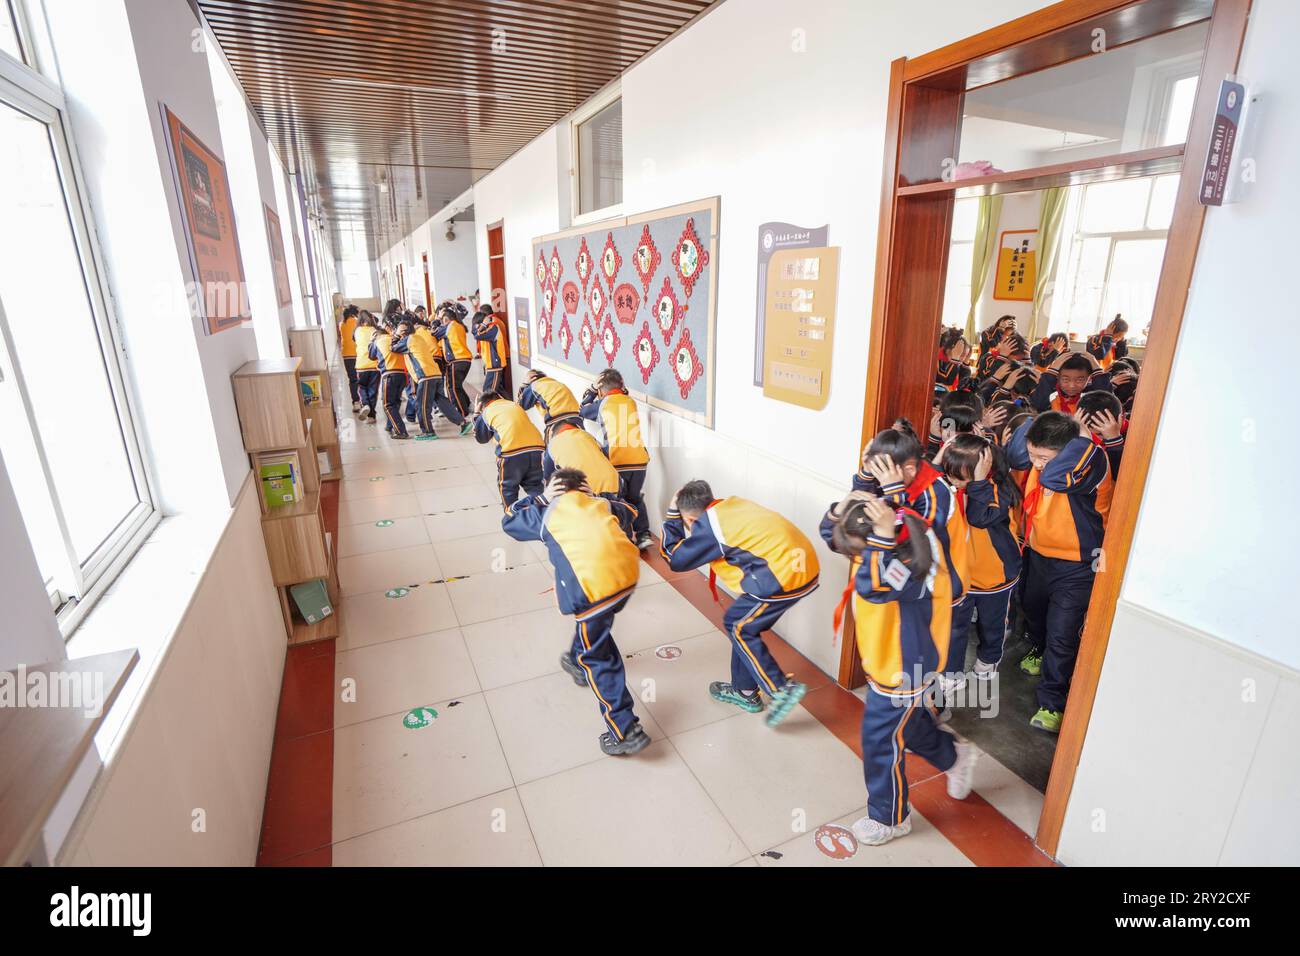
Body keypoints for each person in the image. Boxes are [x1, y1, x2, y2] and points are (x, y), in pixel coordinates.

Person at [822, 495, 976, 847]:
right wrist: (848, 502)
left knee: (881, 741)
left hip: (904, 667)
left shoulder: (907, 562)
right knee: (906, 725)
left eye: (859, 551)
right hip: (889, 662)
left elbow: (873, 586)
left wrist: (878, 538)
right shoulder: (889, 544)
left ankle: (890, 817)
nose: (853, 558)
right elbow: (831, 534)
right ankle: (952, 753)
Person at [503, 468, 651, 756]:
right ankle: (574, 657)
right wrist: (595, 496)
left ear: (553, 491)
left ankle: (624, 730)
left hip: (593, 590)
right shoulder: (602, 504)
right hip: (627, 579)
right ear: (584, 488)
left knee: (598, 657)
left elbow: (509, 522)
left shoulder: (546, 513)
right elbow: (630, 511)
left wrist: (541, 498)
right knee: (594, 627)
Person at [660, 480, 819, 727]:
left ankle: (780, 689)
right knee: (743, 624)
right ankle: (745, 691)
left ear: (689, 520)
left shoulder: (709, 527)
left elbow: (676, 559)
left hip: (782, 578)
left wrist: (672, 516)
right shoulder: (732, 505)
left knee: (739, 627)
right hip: (805, 567)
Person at [1006, 411, 1113, 732]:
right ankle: (1039, 650)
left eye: (1044, 457)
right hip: (1039, 554)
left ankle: (1052, 703)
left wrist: (1078, 436)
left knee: (1063, 633)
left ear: (1067, 450)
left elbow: (1054, 478)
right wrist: (1044, 420)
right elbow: (1013, 455)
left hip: (1080, 562)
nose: (1037, 464)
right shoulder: (1048, 454)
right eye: (1034, 454)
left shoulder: (1091, 459)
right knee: (1034, 611)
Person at [939, 434, 1022, 678]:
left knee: (992, 625)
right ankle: (951, 675)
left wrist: (977, 484)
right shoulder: (952, 488)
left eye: (958, 473)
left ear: (984, 469)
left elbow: (979, 517)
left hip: (994, 576)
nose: (952, 479)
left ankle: (988, 662)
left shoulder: (998, 490)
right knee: (955, 630)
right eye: (949, 471)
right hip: (961, 577)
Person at [581, 368, 653, 550]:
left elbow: (582, 410)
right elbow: (621, 392)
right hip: (639, 461)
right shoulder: (630, 401)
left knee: (619, 501)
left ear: (601, 390)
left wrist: (591, 390)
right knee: (635, 498)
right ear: (622, 386)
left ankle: (625, 538)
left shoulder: (602, 404)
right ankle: (644, 535)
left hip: (617, 462)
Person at [474, 392, 544, 510]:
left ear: (482, 405)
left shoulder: (487, 411)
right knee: (535, 486)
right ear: (500, 397)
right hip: (538, 448)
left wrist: (477, 414)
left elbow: (481, 438)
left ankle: (512, 516)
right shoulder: (514, 405)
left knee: (508, 488)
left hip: (511, 452)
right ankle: (544, 513)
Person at [392, 316, 460, 436]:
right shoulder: (418, 337)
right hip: (435, 374)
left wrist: (396, 336)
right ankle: (462, 422)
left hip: (426, 376)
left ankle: (428, 431)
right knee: (442, 401)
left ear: (403, 331)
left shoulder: (408, 339)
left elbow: (393, 348)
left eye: (399, 329)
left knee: (421, 404)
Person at [543, 420, 619, 495]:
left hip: (588, 490)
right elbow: (606, 457)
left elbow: (548, 479)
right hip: (616, 483)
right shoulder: (588, 436)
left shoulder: (553, 444)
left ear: (552, 434)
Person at [432, 304, 474, 432]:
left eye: (443, 319)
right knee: (457, 387)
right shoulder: (459, 325)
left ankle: (462, 413)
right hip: (465, 360)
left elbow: (433, 334)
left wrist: (435, 322)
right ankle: (466, 407)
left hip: (457, 361)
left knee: (452, 388)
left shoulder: (449, 326)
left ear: (446, 319)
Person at [1030, 349, 1111, 414]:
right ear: (1057, 377)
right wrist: (1051, 371)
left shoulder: (1091, 395)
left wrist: (1097, 369)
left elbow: (1108, 402)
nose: (1072, 385)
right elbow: (1038, 404)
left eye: (1080, 380)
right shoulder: (1050, 392)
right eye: (1065, 379)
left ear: (1089, 378)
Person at [369, 319, 409, 439]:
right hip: (403, 374)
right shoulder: (393, 338)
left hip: (390, 375)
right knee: (395, 402)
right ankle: (389, 425)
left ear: (376, 335)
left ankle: (401, 431)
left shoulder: (378, 341)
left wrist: (371, 341)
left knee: (388, 404)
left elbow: (371, 356)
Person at [1075, 389, 1127, 476]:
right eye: (1092, 433)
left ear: (1121, 418)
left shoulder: (1136, 435)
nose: (1097, 437)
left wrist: (1114, 441)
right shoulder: (1081, 432)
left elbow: (1118, 477)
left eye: (1100, 434)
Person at [518, 369, 583, 427]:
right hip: (577, 417)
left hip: (557, 418)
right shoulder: (556, 383)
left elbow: (520, 405)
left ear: (533, 377)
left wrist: (525, 384)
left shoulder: (534, 386)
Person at [471, 307, 510, 397]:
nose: (478, 328)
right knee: (499, 391)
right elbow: (475, 332)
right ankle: (510, 408)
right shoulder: (486, 328)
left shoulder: (493, 328)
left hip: (495, 365)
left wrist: (484, 324)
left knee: (488, 391)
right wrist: (482, 325)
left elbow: (477, 335)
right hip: (491, 365)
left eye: (478, 325)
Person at [353, 311, 380, 422]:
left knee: (362, 386)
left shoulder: (357, 331)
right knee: (373, 390)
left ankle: (365, 404)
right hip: (374, 365)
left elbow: (355, 340)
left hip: (361, 365)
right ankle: (371, 416)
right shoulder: (374, 331)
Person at [935, 327, 973, 393]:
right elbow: (947, 380)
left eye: (965, 356)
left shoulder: (958, 363)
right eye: (961, 354)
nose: (962, 359)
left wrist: (966, 362)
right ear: (948, 350)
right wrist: (955, 358)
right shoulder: (939, 361)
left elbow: (964, 381)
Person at [338, 304, 360, 410]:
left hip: (346, 355)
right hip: (357, 353)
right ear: (354, 313)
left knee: (352, 379)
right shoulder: (356, 322)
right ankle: (364, 401)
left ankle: (356, 402)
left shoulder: (341, 324)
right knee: (360, 378)